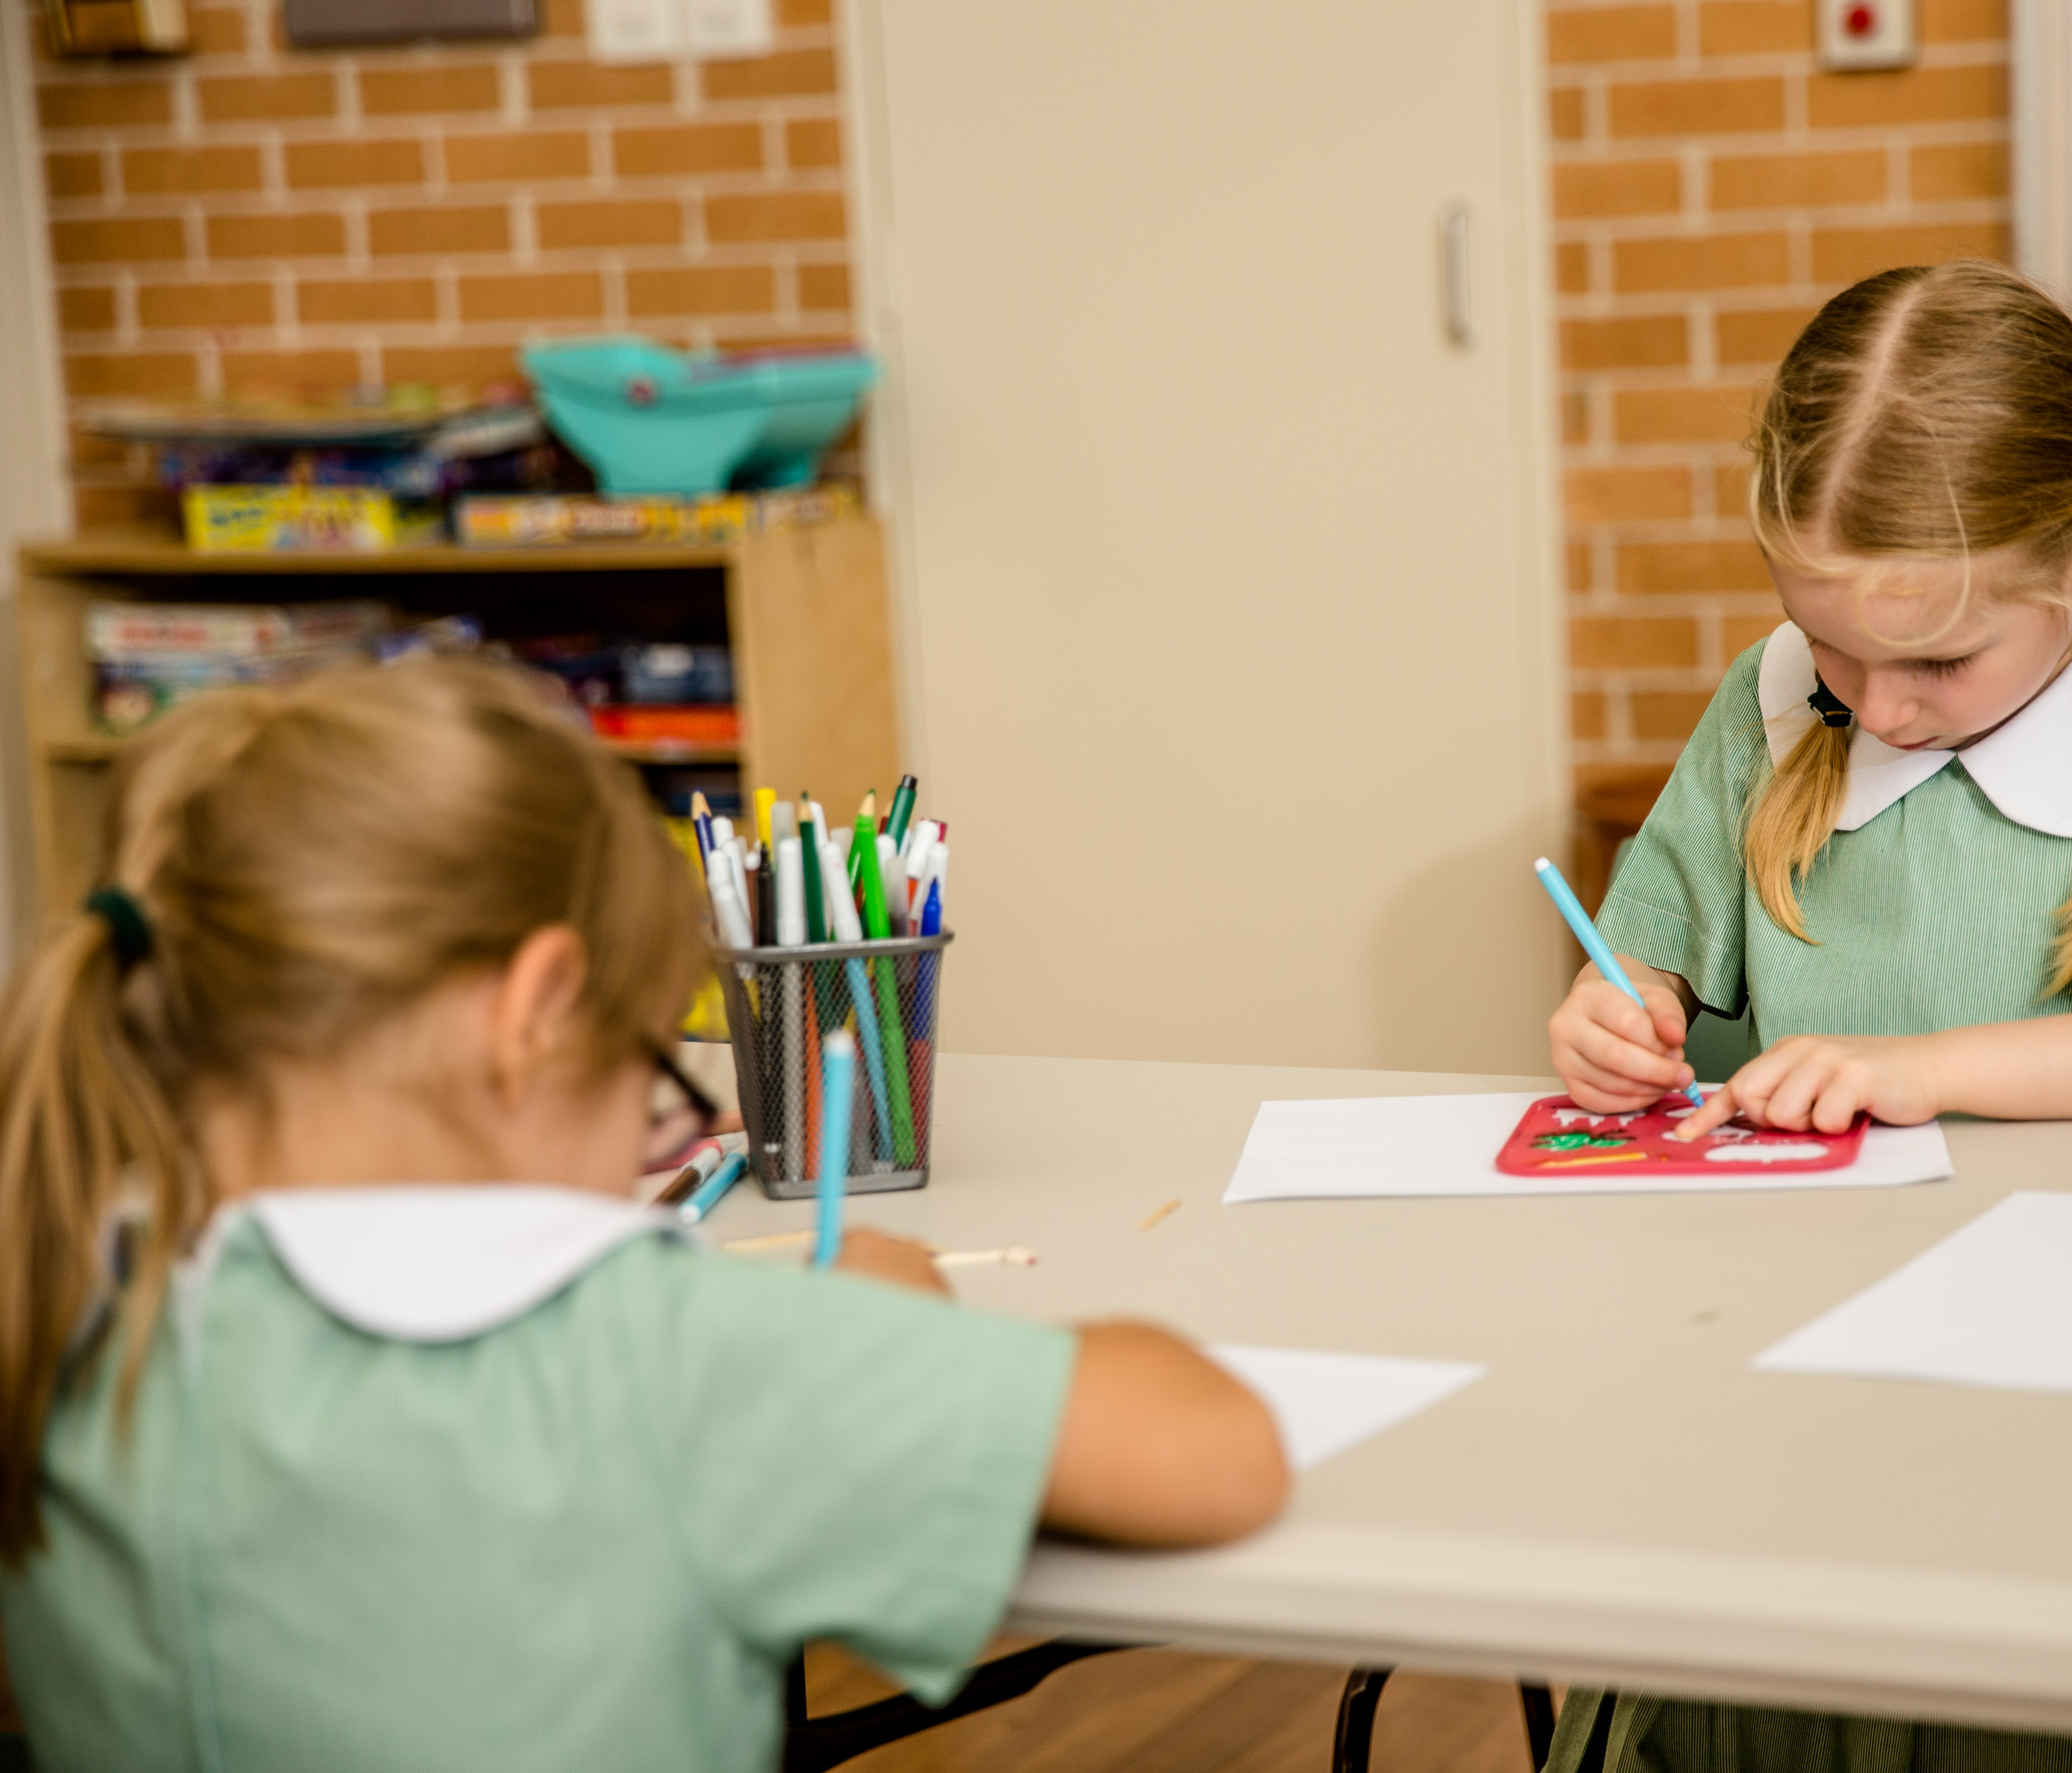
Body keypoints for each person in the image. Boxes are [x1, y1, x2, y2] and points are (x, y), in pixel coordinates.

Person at [0, 659, 1288, 1773]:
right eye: (651, 1056)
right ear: (537, 1012)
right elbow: (1217, 1450)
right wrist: (879, 1325)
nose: (652, 1126)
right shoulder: (660, 1354)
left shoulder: (58, 1293)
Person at [1543, 261, 2072, 1772]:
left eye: (1935, 659)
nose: (1874, 707)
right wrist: (1621, 1012)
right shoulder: (1771, 702)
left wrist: (1918, 1070)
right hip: (1789, 1395)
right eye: (1833, 649)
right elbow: (1648, 954)